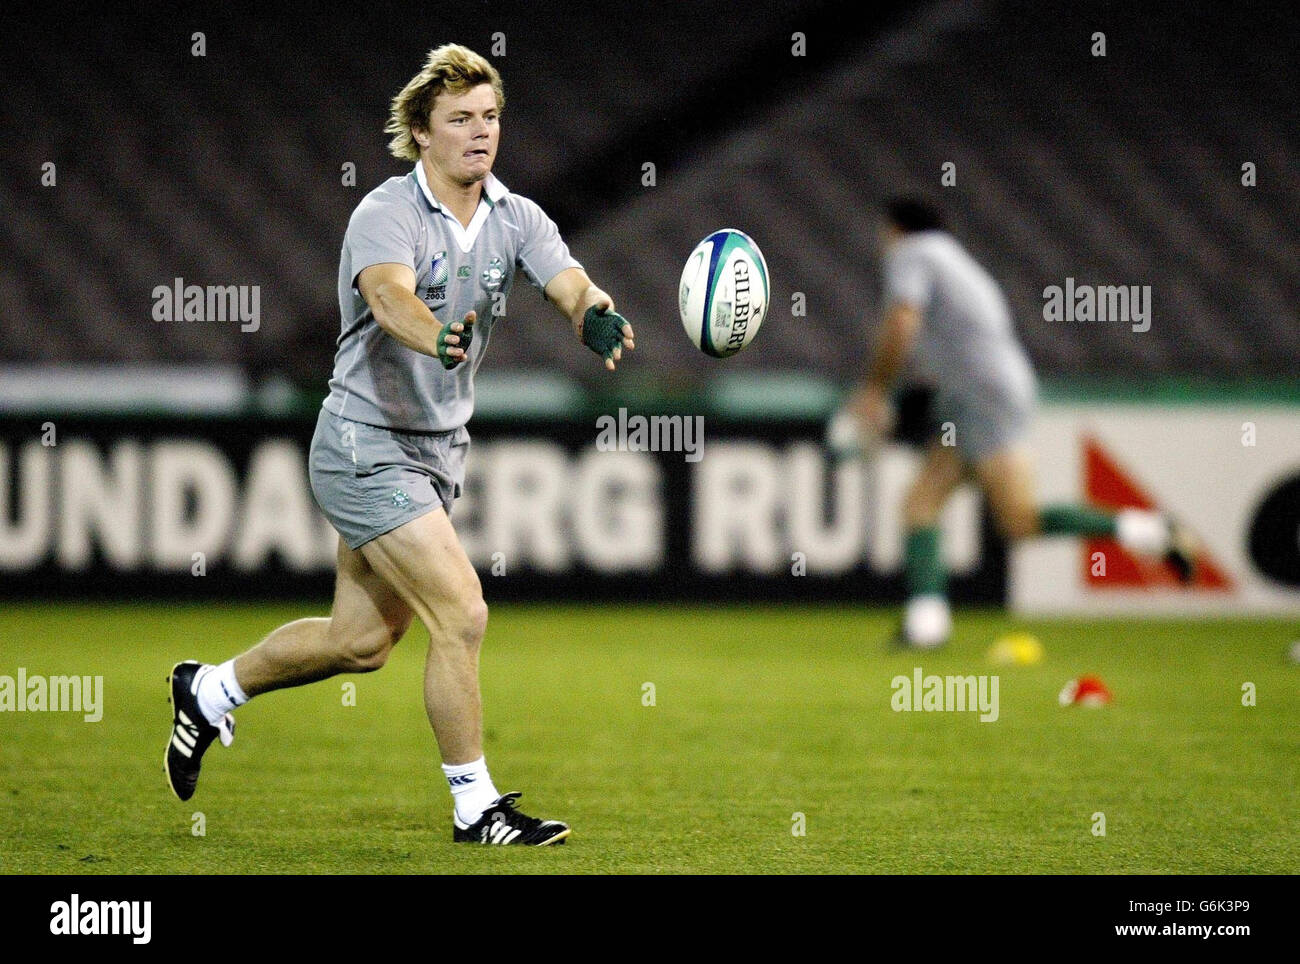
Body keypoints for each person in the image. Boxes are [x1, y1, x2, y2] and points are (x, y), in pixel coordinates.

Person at [165, 44, 634, 845]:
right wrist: (437, 337)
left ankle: (208, 692)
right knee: (463, 613)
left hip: (434, 455)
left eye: (489, 117)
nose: (480, 133)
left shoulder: (515, 216)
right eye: (460, 120)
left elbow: (569, 280)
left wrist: (592, 313)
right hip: (362, 442)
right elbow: (390, 299)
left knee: (361, 644)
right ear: (421, 132)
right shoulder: (387, 211)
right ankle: (476, 808)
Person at [841, 197, 1194, 648]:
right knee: (920, 504)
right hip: (978, 393)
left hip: (982, 395)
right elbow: (948, 347)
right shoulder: (954, 263)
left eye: (883, 235)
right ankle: (927, 624)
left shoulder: (915, 253)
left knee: (1018, 520)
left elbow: (902, 319)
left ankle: (1150, 531)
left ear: (895, 230)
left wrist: (874, 389)